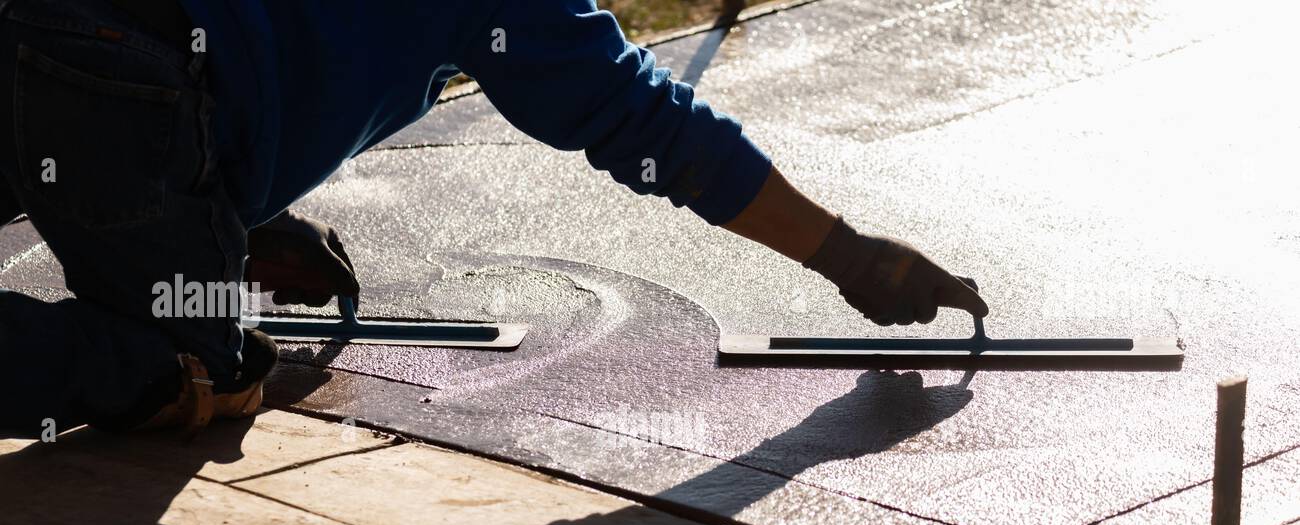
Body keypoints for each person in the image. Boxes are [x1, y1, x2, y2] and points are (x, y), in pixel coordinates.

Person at [0, 0, 986, 438]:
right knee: (200, 373)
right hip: (109, 70)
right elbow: (632, 113)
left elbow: (271, 31)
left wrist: (242, 218)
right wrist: (842, 253)